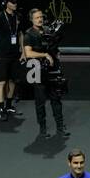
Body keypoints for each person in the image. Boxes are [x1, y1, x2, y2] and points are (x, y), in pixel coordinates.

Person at [21, 8, 68, 138]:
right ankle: (43, 129)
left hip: (52, 70)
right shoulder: (28, 34)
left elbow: (55, 46)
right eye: (36, 17)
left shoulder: (48, 30)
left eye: (41, 17)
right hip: (37, 69)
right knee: (40, 101)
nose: (40, 19)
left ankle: (60, 128)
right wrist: (45, 54)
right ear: (31, 19)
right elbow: (28, 53)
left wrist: (55, 52)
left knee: (56, 99)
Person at [0, 0, 23, 121]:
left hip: (15, 54)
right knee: (2, 82)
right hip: (2, 55)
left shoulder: (17, 16)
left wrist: (23, 51)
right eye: (12, 2)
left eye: (15, 1)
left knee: (13, 81)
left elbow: (19, 34)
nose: (15, 4)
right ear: (5, 3)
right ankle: (2, 109)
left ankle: (9, 105)